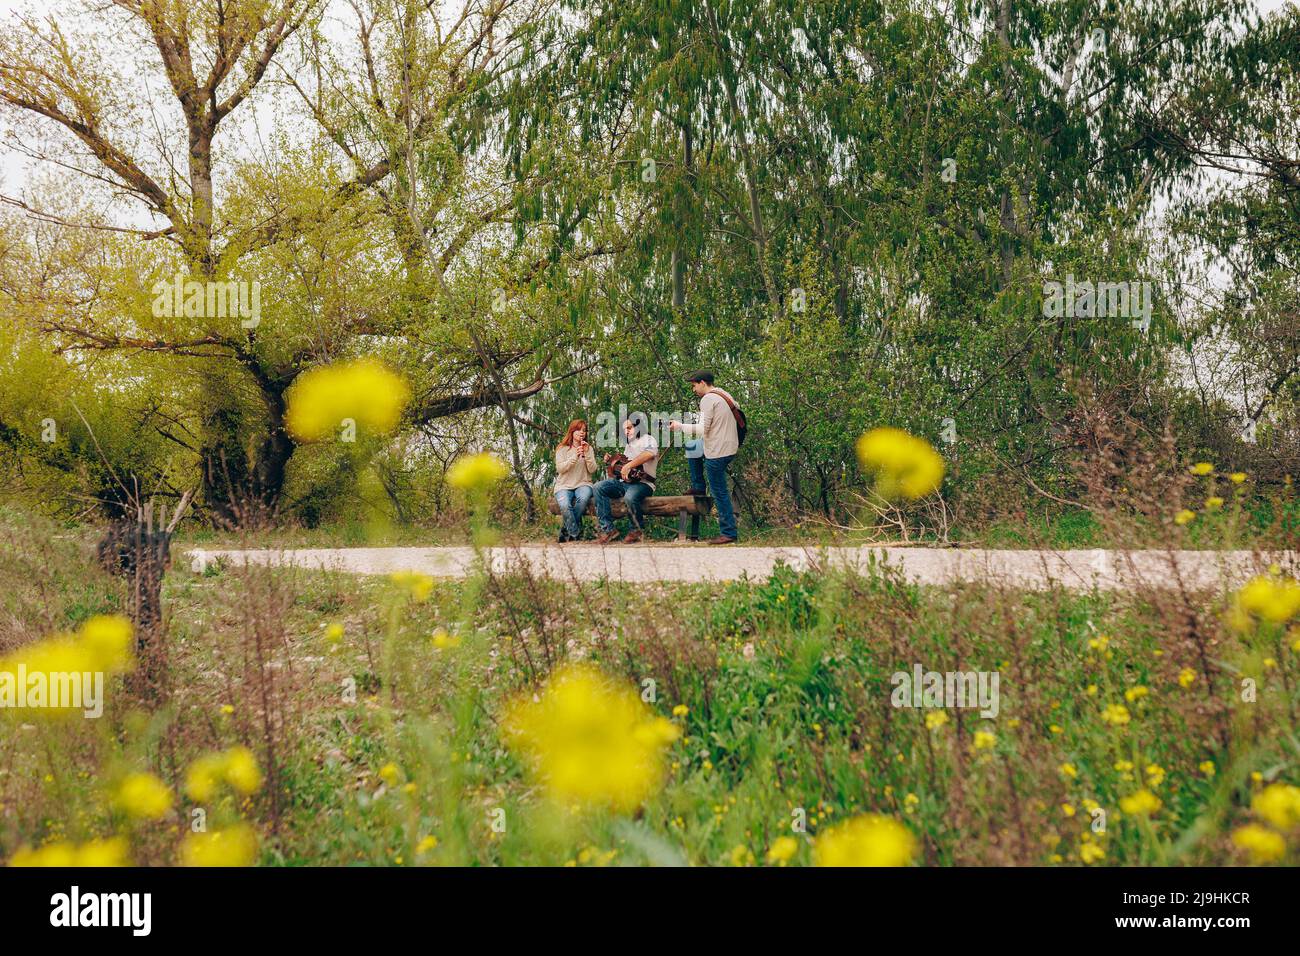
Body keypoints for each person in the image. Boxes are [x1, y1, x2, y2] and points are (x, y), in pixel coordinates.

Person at [669, 370, 739, 544]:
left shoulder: (707, 399)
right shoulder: (723, 393)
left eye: (694, 385)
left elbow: (702, 429)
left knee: (719, 492)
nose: (693, 389)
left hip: (717, 451)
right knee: (693, 446)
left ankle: (728, 533)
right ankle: (698, 486)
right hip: (728, 445)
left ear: (702, 382)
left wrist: (679, 426)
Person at [594, 416, 659, 544]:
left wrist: (629, 466)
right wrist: (611, 460)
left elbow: (649, 454)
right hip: (624, 483)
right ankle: (608, 530)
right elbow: (623, 466)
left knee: (629, 497)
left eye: (629, 428)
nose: (626, 432)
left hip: (644, 484)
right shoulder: (629, 445)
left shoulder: (648, 439)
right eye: (624, 429)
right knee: (598, 487)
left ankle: (636, 530)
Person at [553, 419, 597, 542]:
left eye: (584, 430)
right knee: (565, 505)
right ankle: (574, 533)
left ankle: (566, 531)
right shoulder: (562, 449)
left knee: (582, 500)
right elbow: (560, 469)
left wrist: (587, 454)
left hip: (584, 483)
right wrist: (574, 456)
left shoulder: (589, 448)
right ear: (572, 432)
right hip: (563, 485)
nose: (582, 432)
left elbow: (593, 470)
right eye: (578, 429)